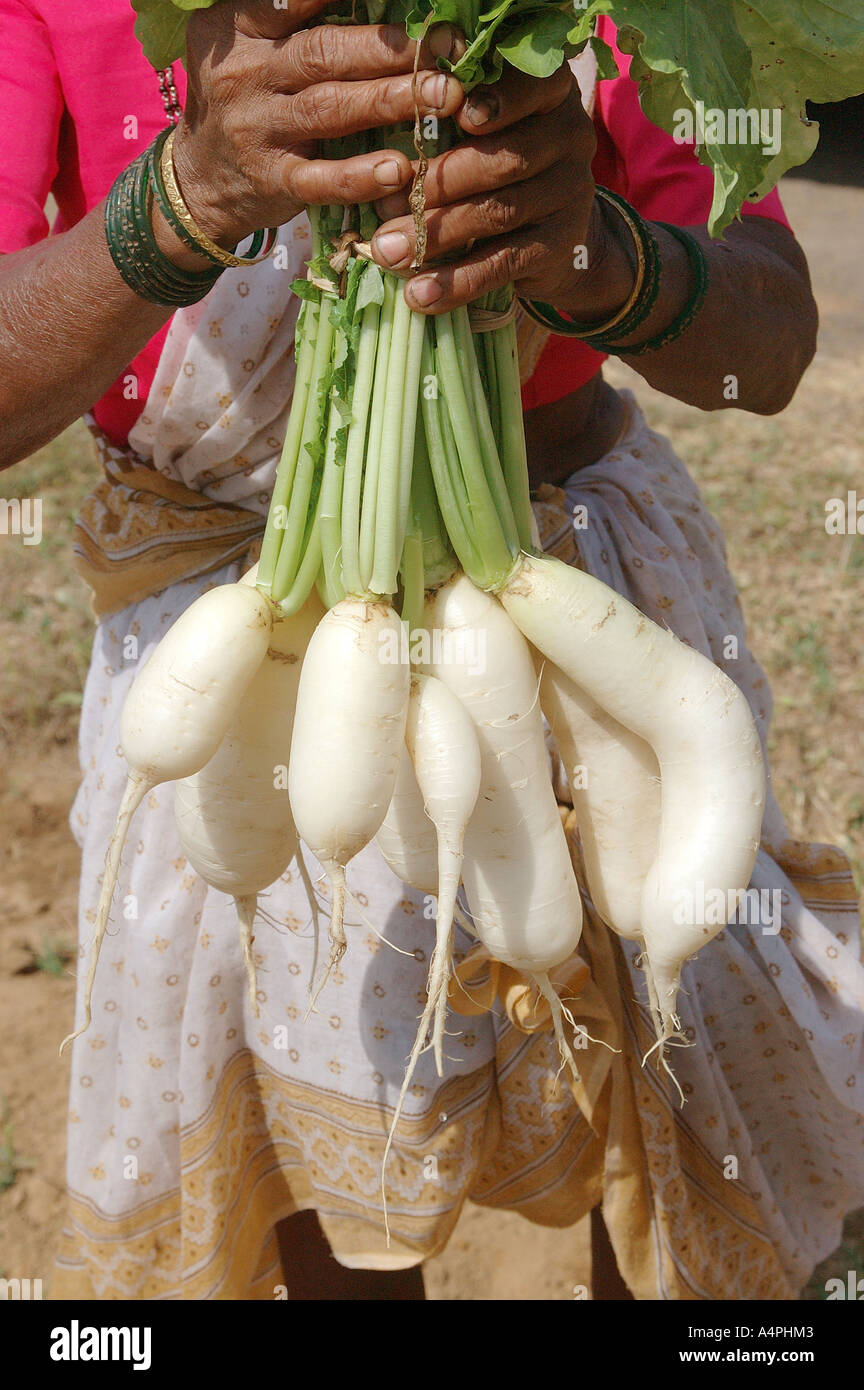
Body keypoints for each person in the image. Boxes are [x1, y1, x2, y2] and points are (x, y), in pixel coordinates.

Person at [1, 0, 861, 1301]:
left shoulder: (596, 18)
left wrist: (598, 254)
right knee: (318, 1151)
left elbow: (773, 345)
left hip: (581, 590)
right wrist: (183, 199)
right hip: (247, 653)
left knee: (681, 1133)